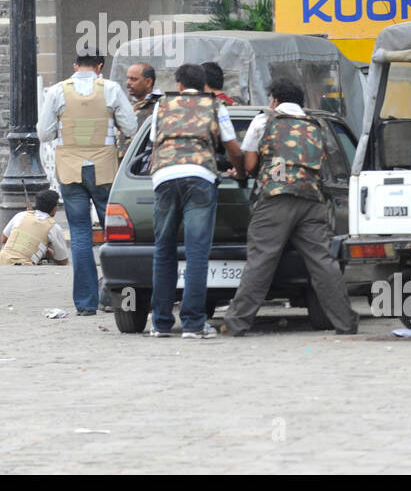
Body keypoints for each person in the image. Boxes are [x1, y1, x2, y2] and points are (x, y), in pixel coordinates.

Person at [222, 78, 358, 337]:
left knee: (261, 259)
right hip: (311, 198)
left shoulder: (264, 121)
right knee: (322, 262)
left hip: (276, 196)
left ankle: (237, 322)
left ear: (274, 100)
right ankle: (345, 322)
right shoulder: (315, 125)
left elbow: (249, 165)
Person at [148, 63, 245, 338]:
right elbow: (233, 147)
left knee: (163, 250)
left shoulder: (162, 105)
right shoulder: (214, 105)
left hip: (164, 176)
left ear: (179, 85)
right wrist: (239, 170)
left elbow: (156, 142)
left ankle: (161, 323)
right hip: (200, 175)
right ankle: (192, 323)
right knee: (197, 252)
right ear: (204, 86)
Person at [38, 53, 137, 315]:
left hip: (70, 170)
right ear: (100, 66)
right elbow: (130, 127)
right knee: (115, 234)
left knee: (80, 235)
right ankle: (120, 299)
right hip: (104, 170)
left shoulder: (58, 90)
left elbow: (44, 132)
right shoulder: (111, 89)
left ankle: (85, 304)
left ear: (75, 65)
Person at [0, 189, 70, 266]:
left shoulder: (21, 215)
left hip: (1, 261)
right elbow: (63, 260)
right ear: (54, 209)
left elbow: (4, 239)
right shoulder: (53, 227)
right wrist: (47, 252)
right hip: (23, 266)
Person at [120, 62, 162, 157]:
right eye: (128, 78)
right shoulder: (125, 104)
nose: (128, 83)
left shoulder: (160, 106)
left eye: (133, 79)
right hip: (122, 165)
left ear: (148, 82)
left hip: (144, 163)